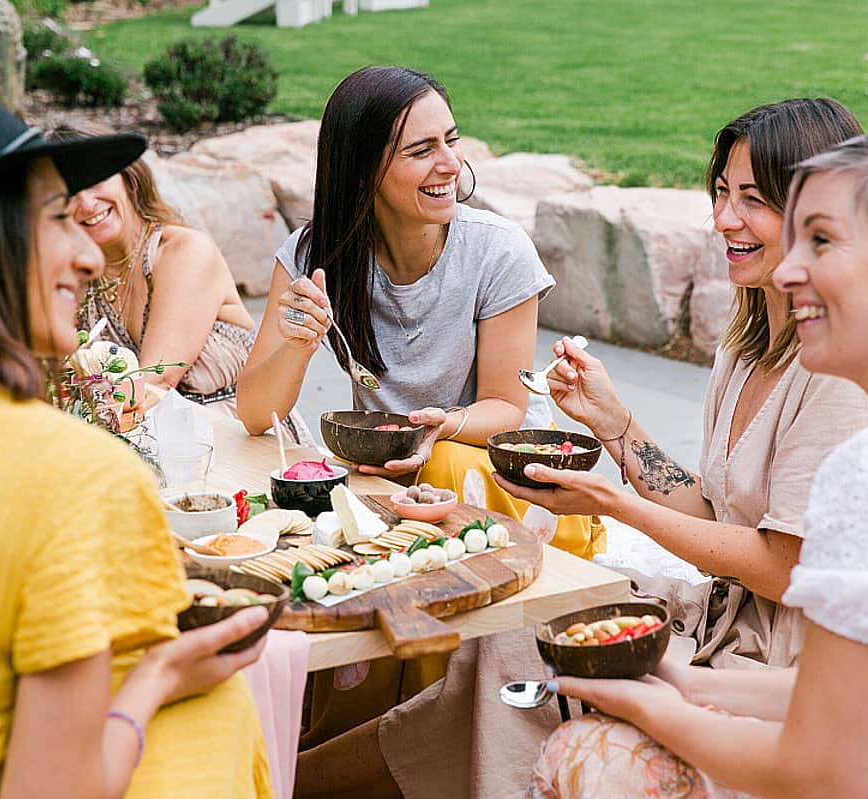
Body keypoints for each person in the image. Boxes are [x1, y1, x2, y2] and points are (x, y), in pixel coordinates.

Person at [527, 129, 868, 799]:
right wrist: (691, 683)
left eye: (820, 241)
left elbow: (825, 770)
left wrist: (658, 710)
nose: (790, 271)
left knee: (581, 750)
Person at [0, 84, 273, 798]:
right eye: (54, 219)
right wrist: (159, 677)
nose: (89, 255)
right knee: (212, 707)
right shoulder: (70, 474)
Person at [499, 98, 868, 670]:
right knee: (505, 626)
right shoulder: (744, 349)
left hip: (792, 668)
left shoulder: (840, 372)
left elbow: (783, 568)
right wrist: (615, 425)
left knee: (519, 653)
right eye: (724, 191)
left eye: (754, 200)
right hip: (719, 625)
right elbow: (717, 520)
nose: (725, 218)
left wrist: (612, 505)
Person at [235, 65, 601, 560]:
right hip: (391, 476)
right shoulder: (317, 255)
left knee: (443, 464)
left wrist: (439, 427)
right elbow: (257, 416)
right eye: (421, 150)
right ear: (364, 170)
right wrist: (298, 347)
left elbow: (506, 409)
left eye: (451, 140)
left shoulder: (498, 251)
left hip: (501, 474)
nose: (449, 163)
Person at [45, 123, 310, 443]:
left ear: (127, 176)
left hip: (238, 440)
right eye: (70, 193)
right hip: (144, 441)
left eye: (96, 179)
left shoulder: (183, 252)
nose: (87, 204)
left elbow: (156, 379)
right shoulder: (80, 279)